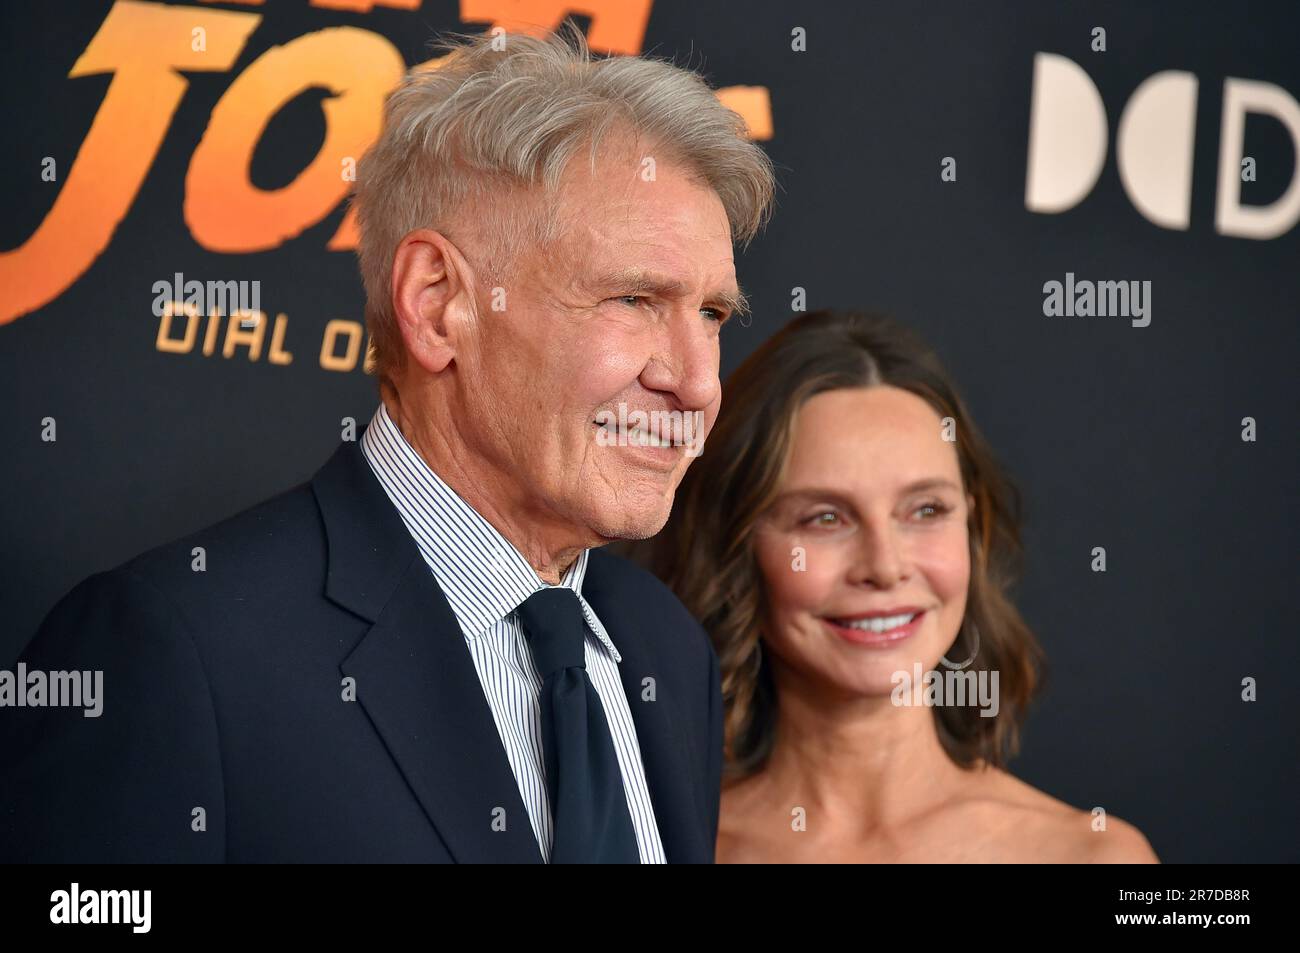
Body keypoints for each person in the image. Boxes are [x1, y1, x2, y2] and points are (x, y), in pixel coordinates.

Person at [0, 23, 774, 863]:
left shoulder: (664, 651)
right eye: (633, 299)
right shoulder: (173, 654)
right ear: (439, 303)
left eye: (712, 316)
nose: (698, 383)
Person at [650, 310, 1159, 863]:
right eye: (825, 518)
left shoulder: (1091, 856)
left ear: (974, 527)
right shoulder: (663, 847)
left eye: (925, 510)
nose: (885, 567)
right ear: (736, 545)